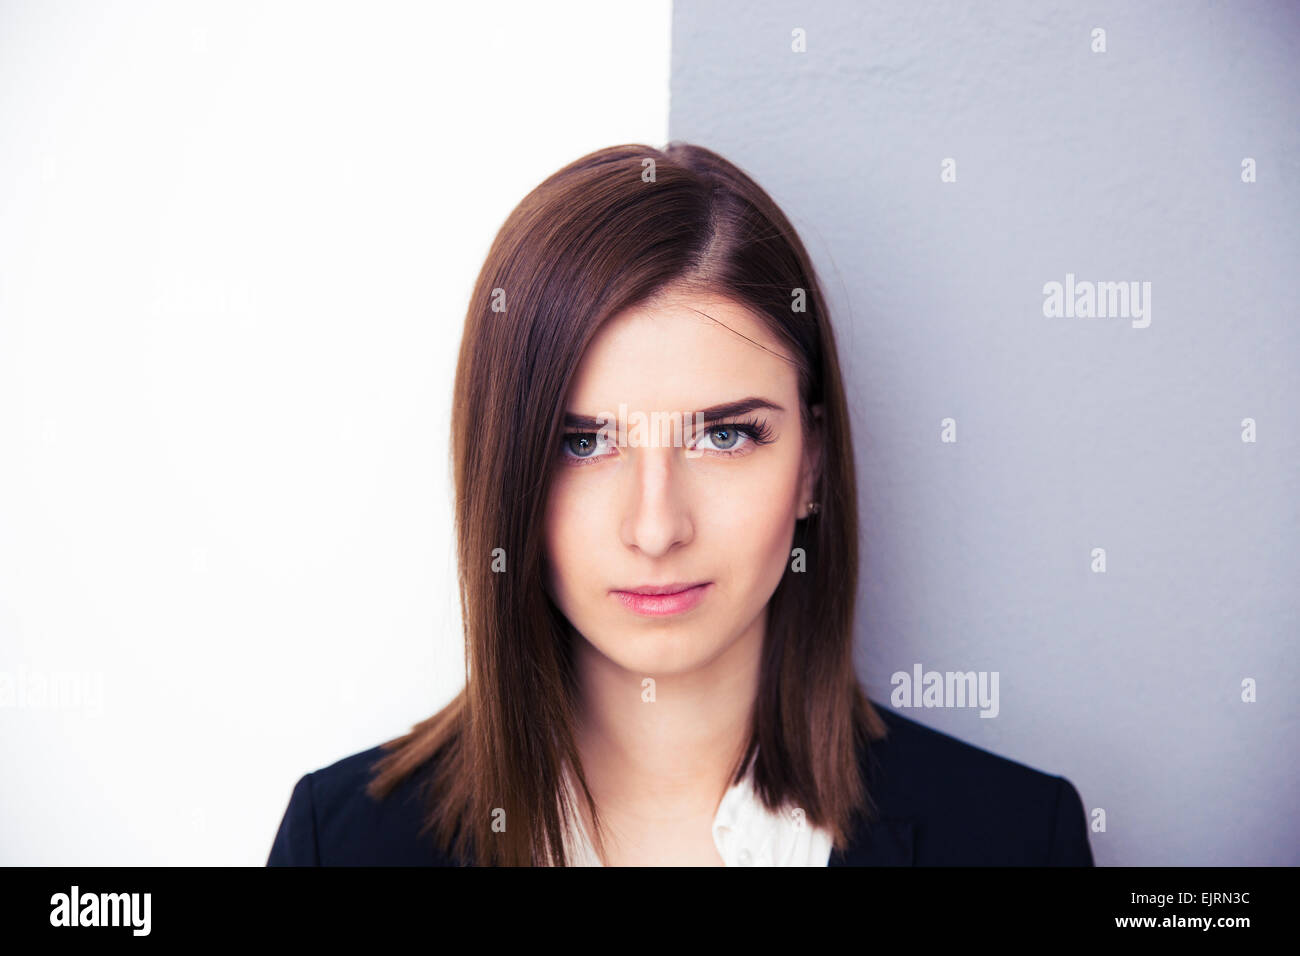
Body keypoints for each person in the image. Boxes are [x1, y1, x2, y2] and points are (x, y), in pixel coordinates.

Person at [267, 142, 1094, 866]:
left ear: (811, 463)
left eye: (725, 437)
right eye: (583, 442)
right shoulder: (339, 846)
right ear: (505, 468)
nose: (656, 528)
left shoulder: (1019, 838)